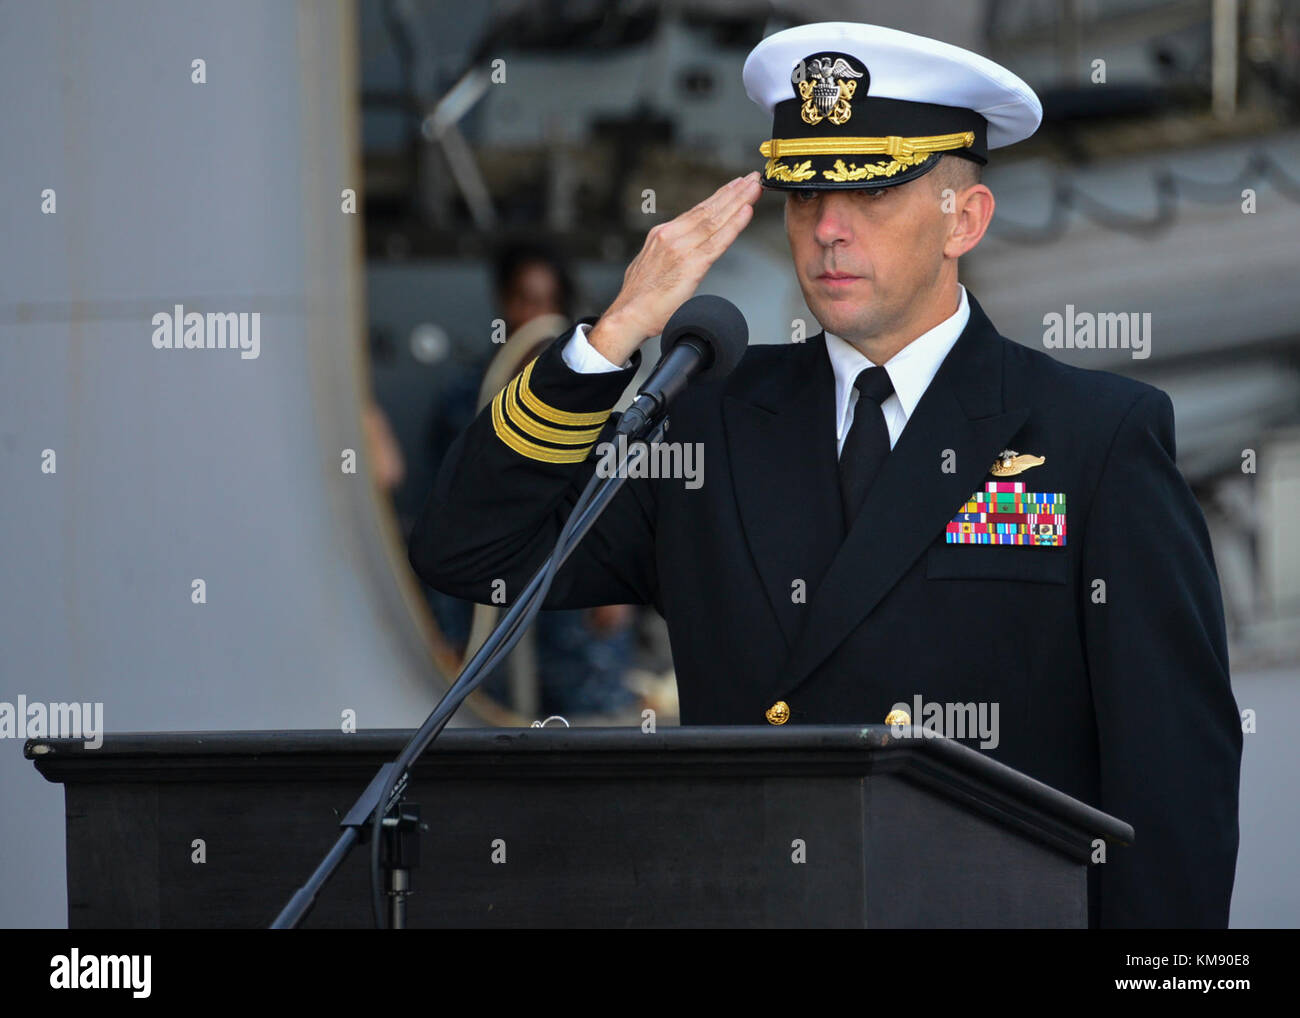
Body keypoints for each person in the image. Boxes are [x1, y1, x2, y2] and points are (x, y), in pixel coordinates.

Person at [408, 22, 1242, 928]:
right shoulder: (709, 418)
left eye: (871, 190)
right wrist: (609, 339)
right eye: (804, 195)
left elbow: (1172, 779)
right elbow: (474, 550)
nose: (828, 230)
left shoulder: (1095, 438)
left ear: (965, 218)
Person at [421, 242, 640, 717]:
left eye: (546, 300)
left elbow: (621, 498)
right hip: (494, 601)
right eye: (523, 299)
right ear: (503, 302)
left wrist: (619, 593)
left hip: (575, 612)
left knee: (593, 741)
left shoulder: (598, 393)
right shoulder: (468, 400)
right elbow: (441, 514)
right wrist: (448, 631)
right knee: (498, 741)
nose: (534, 313)